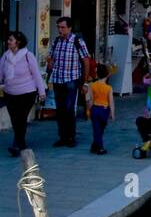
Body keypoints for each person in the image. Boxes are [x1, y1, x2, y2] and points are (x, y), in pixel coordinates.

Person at [0, 30, 46, 156]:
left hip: (26, 93)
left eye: (11, 40)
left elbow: (36, 74)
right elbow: (1, 73)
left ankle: (17, 144)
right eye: (8, 40)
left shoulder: (28, 55)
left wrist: (41, 92)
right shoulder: (5, 56)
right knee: (15, 119)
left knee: (21, 118)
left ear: (18, 42)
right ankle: (21, 143)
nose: (8, 42)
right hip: (10, 93)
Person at [46, 17, 89, 147]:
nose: (60, 30)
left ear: (69, 28)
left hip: (71, 80)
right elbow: (51, 57)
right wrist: (50, 64)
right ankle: (62, 136)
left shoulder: (77, 41)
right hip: (58, 80)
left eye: (63, 27)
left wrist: (85, 82)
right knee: (60, 109)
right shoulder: (56, 41)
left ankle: (71, 136)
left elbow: (86, 60)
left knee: (69, 109)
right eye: (58, 27)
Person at [85, 64, 114, 155]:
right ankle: (99, 147)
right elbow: (111, 102)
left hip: (95, 108)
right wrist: (112, 113)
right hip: (104, 110)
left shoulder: (92, 85)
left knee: (96, 129)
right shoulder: (108, 88)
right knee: (101, 129)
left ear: (97, 74)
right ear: (107, 75)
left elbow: (90, 100)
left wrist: (89, 110)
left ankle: (95, 145)